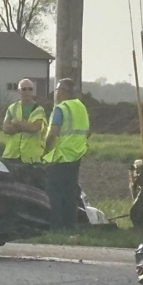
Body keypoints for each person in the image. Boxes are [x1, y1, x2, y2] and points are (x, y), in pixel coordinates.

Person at [43, 78, 90, 230]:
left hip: (61, 156)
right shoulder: (81, 107)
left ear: (62, 91)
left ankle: (56, 226)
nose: (55, 93)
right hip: (77, 155)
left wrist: (45, 150)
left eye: (56, 90)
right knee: (71, 192)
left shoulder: (60, 109)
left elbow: (52, 133)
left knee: (54, 191)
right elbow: (87, 131)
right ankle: (70, 225)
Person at [2, 79, 47, 164]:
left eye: (30, 89)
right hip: (11, 156)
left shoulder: (38, 109)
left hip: (31, 158)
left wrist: (16, 123)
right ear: (19, 91)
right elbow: (5, 128)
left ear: (33, 91)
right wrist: (24, 126)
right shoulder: (12, 108)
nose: (27, 92)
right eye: (24, 89)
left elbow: (34, 128)